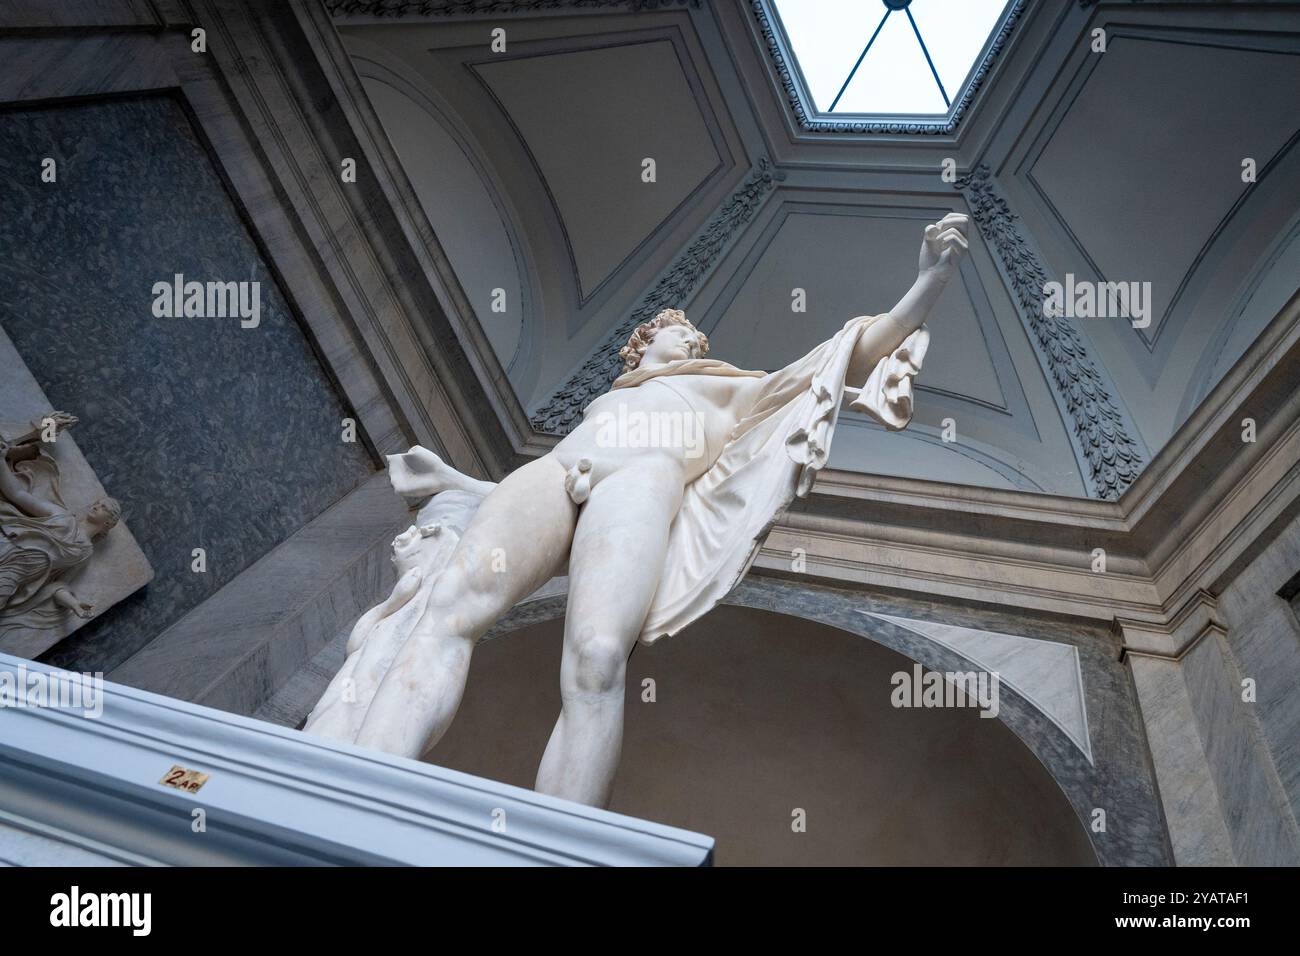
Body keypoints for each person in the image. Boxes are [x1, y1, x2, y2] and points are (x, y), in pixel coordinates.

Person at [309, 213, 970, 807]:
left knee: (597, 657)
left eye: (698, 340)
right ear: (644, 341)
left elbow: (848, 353)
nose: (697, 344)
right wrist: (454, 481)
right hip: (551, 474)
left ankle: (560, 844)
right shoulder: (606, 400)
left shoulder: (727, 390)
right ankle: (366, 782)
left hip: (641, 484)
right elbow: (500, 505)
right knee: (449, 606)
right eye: (685, 335)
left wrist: (928, 285)